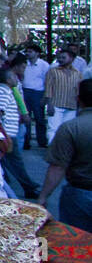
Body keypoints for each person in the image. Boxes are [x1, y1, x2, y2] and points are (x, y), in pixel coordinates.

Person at [39, 78, 92, 231]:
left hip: (79, 195)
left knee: (76, 245)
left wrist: (43, 197)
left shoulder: (70, 128)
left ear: (78, 99)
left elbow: (57, 168)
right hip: (79, 193)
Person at [0, 67, 40, 200]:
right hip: (7, 134)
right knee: (15, 162)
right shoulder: (5, 92)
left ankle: (20, 185)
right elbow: (0, 111)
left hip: (1, 133)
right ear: (8, 79)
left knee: (7, 162)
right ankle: (28, 186)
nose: (16, 78)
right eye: (13, 76)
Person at [46, 49, 81, 140]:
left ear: (72, 59)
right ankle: (52, 151)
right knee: (53, 129)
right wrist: (49, 105)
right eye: (59, 57)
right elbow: (48, 88)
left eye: (63, 57)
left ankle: (64, 151)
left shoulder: (77, 73)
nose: (60, 59)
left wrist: (78, 107)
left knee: (67, 131)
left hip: (71, 106)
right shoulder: (53, 71)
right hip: (56, 105)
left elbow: (78, 91)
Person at [22, 45, 50, 147]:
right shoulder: (24, 64)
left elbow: (47, 81)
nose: (28, 53)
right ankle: (26, 141)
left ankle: (42, 141)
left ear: (37, 53)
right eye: (27, 51)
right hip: (26, 91)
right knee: (26, 117)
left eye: (30, 51)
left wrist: (45, 96)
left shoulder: (44, 65)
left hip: (38, 92)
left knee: (39, 118)